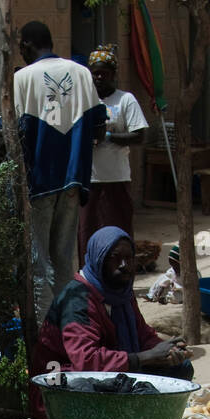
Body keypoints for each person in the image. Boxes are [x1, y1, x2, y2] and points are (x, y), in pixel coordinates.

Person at [29, 227, 192, 419]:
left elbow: (142, 333)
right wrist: (144, 357)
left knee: (181, 368)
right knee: (98, 390)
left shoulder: (121, 292)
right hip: (62, 383)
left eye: (129, 258)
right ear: (100, 258)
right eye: (115, 257)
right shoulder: (78, 299)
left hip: (111, 372)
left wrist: (166, 350)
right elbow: (86, 359)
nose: (124, 265)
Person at [14, 21, 106, 322]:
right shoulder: (81, 73)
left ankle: (44, 334)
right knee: (64, 261)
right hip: (73, 181)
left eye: (19, 46)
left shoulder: (22, 78)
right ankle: (72, 329)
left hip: (39, 183)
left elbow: (12, 134)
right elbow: (99, 126)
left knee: (38, 264)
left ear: (26, 45)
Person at [78, 45, 148, 264]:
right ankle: (89, 279)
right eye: (95, 73)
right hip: (88, 180)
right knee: (87, 233)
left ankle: (119, 277)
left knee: (118, 231)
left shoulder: (125, 100)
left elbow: (139, 135)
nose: (99, 77)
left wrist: (107, 136)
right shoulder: (83, 101)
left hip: (116, 178)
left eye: (104, 73)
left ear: (113, 74)